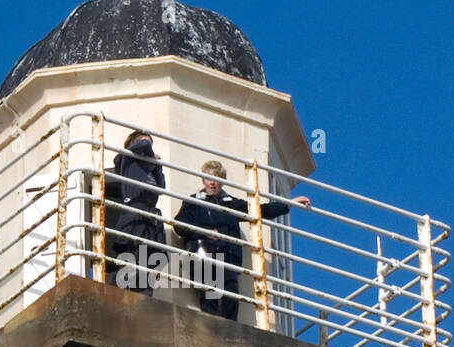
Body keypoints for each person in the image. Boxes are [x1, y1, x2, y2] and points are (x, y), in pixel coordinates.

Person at [174, 160, 311, 320]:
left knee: (231, 302)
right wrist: (204, 232)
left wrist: (289, 203)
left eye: (217, 179)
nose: (213, 183)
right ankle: (214, 336)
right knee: (210, 302)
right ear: (203, 179)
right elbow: (180, 225)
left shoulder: (230, 203)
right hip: (204, 256)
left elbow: (260, 211)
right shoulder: (194, 202)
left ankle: (227, 338)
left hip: (227, 259)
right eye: (209, 178)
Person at [106, 130, 167, 294]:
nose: (149, 148)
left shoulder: (149, 171)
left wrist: (156, 167)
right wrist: (151, 153)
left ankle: (144, 301)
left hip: (151, 218)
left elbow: (161, 188)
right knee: (135, 263)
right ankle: (108, 281)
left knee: (152, 266)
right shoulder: (127, 160)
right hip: (135, 215)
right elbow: (143, 145)